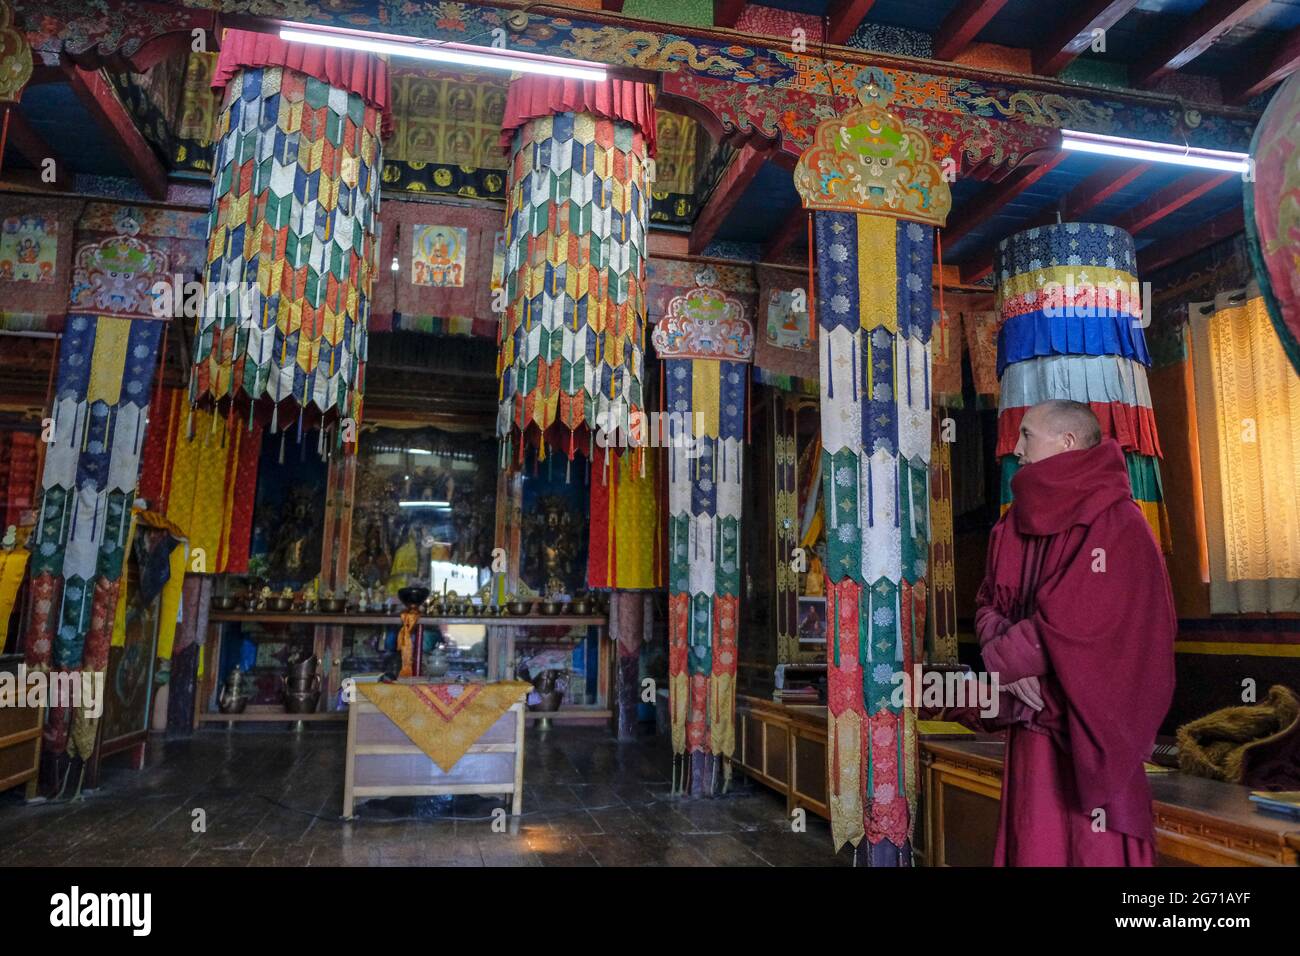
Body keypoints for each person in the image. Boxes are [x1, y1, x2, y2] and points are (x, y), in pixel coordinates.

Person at [975, 399, 1175, 866]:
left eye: (1027, 435)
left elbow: (1078, 624)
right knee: (1035, 842)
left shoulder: (1119, 523)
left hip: (1084, 729)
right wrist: (1006, 660)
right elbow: (986, 605)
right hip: (1030, 726)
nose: (1016, 448)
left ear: (1066, 442)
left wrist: (1009, 662)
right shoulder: (1010, 526)